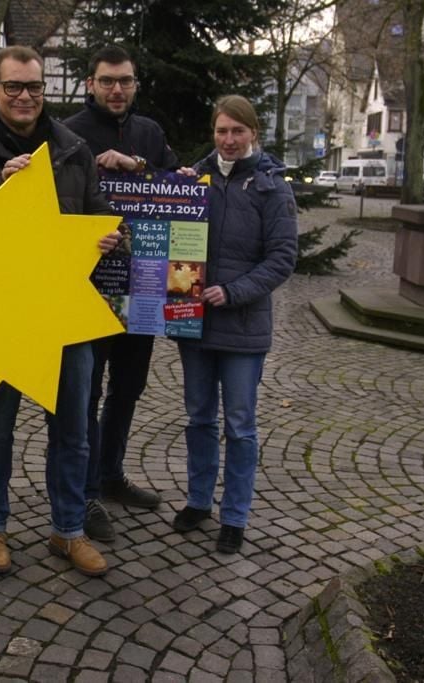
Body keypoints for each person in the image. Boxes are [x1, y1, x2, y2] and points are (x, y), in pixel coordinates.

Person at [0, 45, 120, 577]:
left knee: (72, 428)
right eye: (13, 86)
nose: (25, 96)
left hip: (63, 313)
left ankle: (68, 531)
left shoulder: (72, 149)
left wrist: (108, 238)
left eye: (34, 86)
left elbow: (100, 215)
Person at [62, 45, 178, 543]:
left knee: (128, 387)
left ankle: (111, 474)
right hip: (87, 286)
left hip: (142, 285)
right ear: (90, 83)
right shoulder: (67, 133)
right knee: (85, 393)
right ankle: (85, 492)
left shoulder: (150, 133)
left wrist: (139, 166)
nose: (116, 89)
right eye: (107, 81)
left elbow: (180, 189)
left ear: (135, 84)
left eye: (125, 81)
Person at [173, 95, 297, 554]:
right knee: (199, 418)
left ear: (253, 133)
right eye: (222, 131)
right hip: (196, 324)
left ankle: (235, 516)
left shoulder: (272, 188)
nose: (228, 140)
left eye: (237, 131)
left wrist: (234, 291)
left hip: (243, 326)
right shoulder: (196, 178)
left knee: (240, 425)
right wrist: (175, 193)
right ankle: (198, 500)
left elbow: (282, 258)